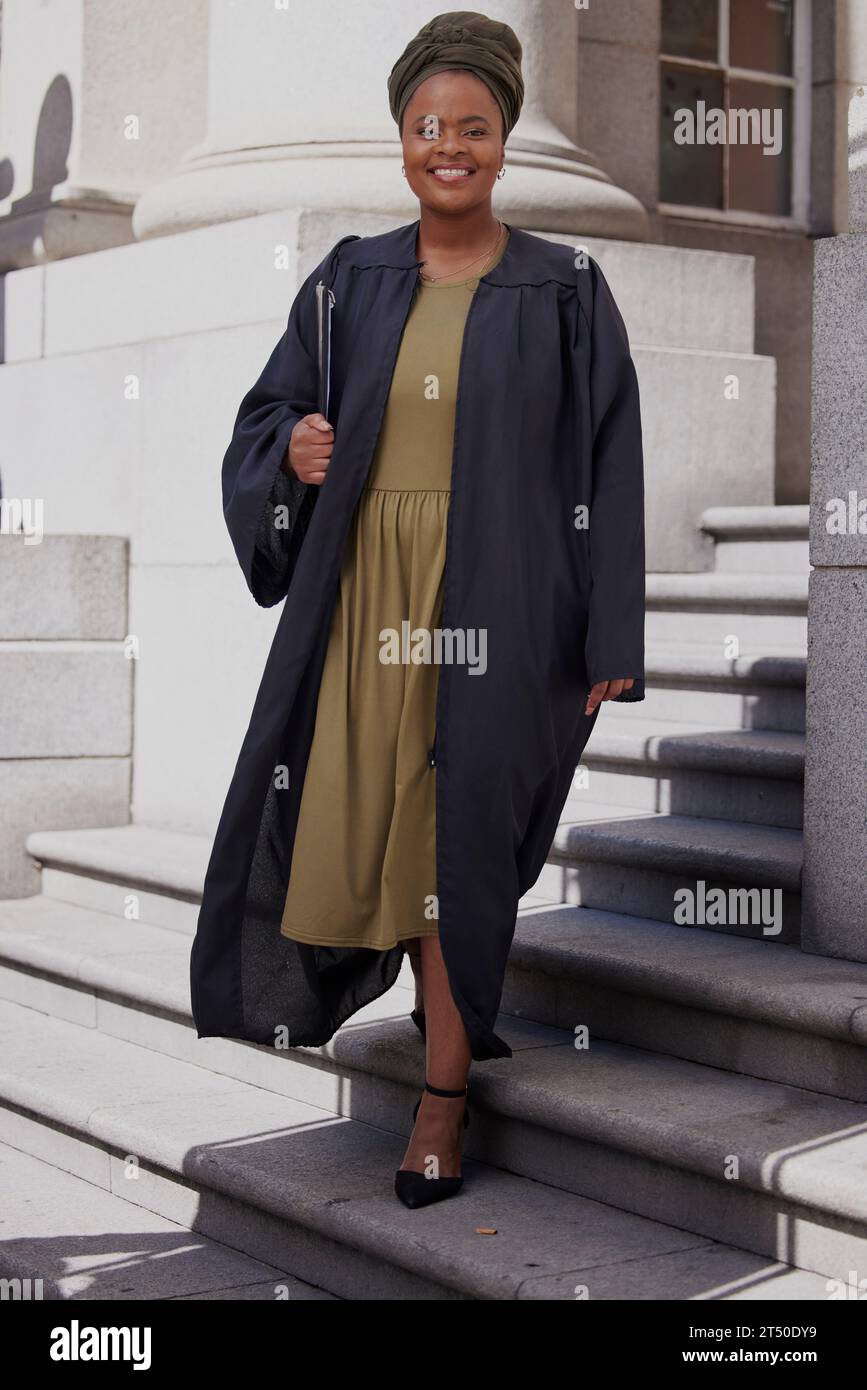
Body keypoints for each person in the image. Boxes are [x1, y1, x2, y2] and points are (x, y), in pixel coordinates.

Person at [189, 10, 646, 1212]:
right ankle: (438, 1035)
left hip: (501, 596)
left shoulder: (566, 286)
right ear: (403, 139)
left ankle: (441, 1100)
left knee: (457, 844)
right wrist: (292, 446)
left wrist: (610, 635)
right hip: (366, 605)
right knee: (382, 836)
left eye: (475, 127)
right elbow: (265, 414)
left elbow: (610, 462)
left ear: (503, 141)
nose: (450, 146)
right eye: (427, 127)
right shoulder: (351, 278)